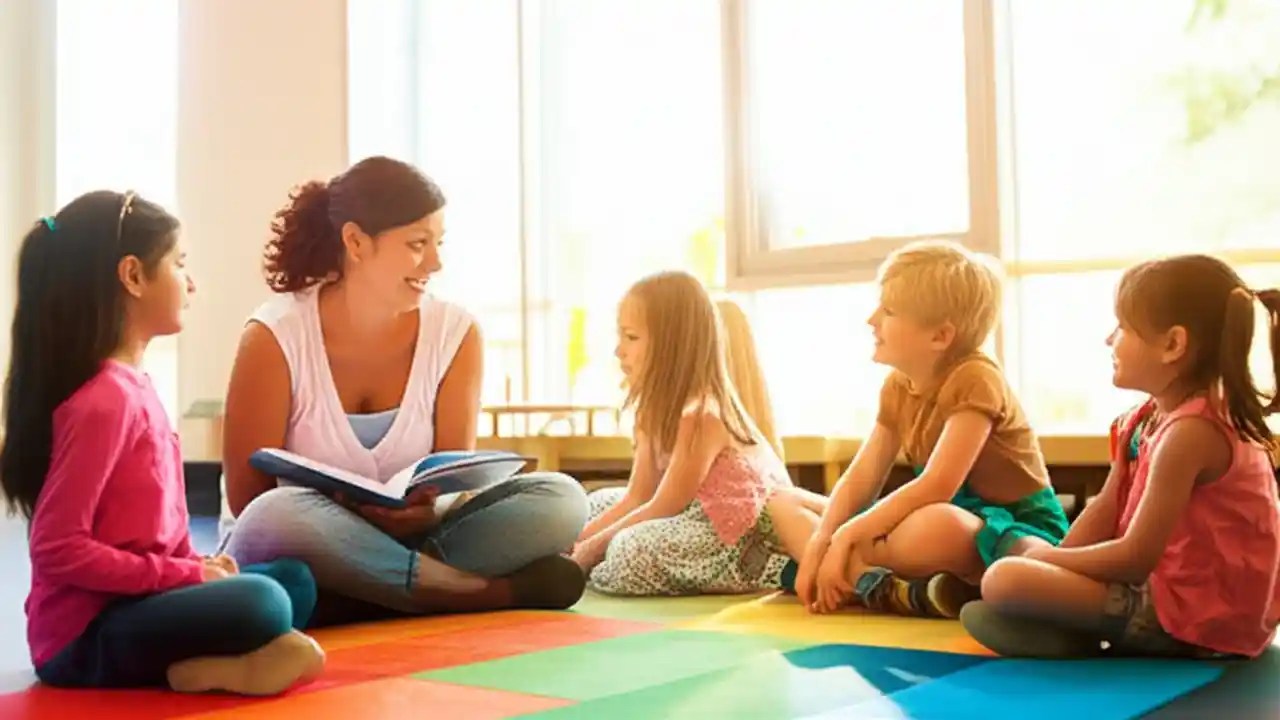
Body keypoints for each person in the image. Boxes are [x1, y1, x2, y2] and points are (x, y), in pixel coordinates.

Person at [220, 156, 588, 622]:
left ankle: (358, 595)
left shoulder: (456, 333)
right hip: (308, 537)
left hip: (410, 542)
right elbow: (247, 500)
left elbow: (455, 475)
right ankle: (470, 592)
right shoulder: (275, 334)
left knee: (562, 498)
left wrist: (429, 514)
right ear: (355, 242)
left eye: (438, 243)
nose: (435, 262)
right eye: (417, 244)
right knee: (277, 514)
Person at [1, 191, 323, 695]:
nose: (191, 282)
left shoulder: (135, 386)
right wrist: (185, 579)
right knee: (265, 602)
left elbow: (151, 532)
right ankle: (206, 665)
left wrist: (194, 567)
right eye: (179, 263)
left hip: (141, 602)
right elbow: (57, 548)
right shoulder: (103, 401)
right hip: (85, 638)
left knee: (294, 580)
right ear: (132, 276)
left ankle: (203, 662)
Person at [963, 255, 1280, 659]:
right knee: (1022, 559)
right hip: (1162, 592)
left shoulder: (1193, 434)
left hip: (1202, 620)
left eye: (1123, 328)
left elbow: (1134, 558)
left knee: (1005, 579)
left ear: (1172, 345)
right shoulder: (1146, 417)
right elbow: (1107, 507)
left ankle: (1074, 632)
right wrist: (1053, 563)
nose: (1109, 340)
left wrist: (1049, 566)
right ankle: (1066, 627)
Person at [793, 240, 1068, 618]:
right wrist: (824, 538)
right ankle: (895, 588)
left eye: (888, 311)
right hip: (934, 516)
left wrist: (845, 537)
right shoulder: (897, 385)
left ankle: (863, 577)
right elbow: (863, 476)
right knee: (794, 511)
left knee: (935, 525)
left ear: (940, 336)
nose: (871, 320)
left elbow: (939, 485)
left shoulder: (975, 377)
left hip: (1006, 529)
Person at [571, 271, 797, 595]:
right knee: (597, 503)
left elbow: (664, 505)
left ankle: (773, 571)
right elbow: (639, 495)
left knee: (627, 552)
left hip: (735, 535)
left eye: (631, 338)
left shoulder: (702, 414)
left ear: (672, 348)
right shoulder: (650, 410)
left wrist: (589, 552)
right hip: (687, 516)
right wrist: (576, 543)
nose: (618, 351)